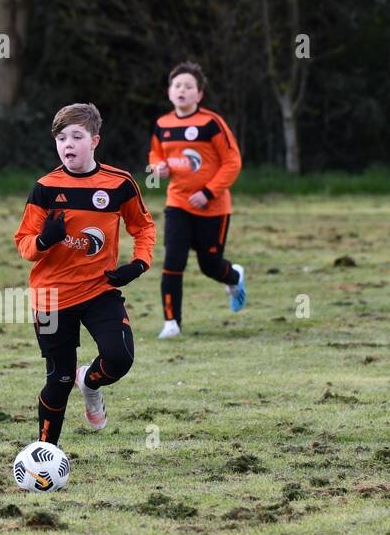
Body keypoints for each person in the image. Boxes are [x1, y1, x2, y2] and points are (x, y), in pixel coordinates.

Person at [15, 102, 156, 443]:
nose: (67, 144)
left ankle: (90, 382)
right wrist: (45, 241)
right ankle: (45, 454)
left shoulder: (119, 183)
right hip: (52, 295)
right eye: (61, 138)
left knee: (120, 358)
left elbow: (144, 227)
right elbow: (24, 244)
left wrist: (138, 264)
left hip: (100, 290)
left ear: (94, 141)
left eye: (76, 136)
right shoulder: (45, 187)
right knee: (59, 380)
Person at [147, 61, 245, 339]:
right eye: (177, 85)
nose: (182, 90)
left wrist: (209, 192)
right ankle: (172, 323)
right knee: (173, 261)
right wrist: (157, 168)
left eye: (189, 86)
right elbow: (154, 155)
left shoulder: (211, 123)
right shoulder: (162, 125)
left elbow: (232, 162)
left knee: (210, 266)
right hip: (177, 204)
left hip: (213, 208)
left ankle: (234, 277)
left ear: (199, 94)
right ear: (169, 92)